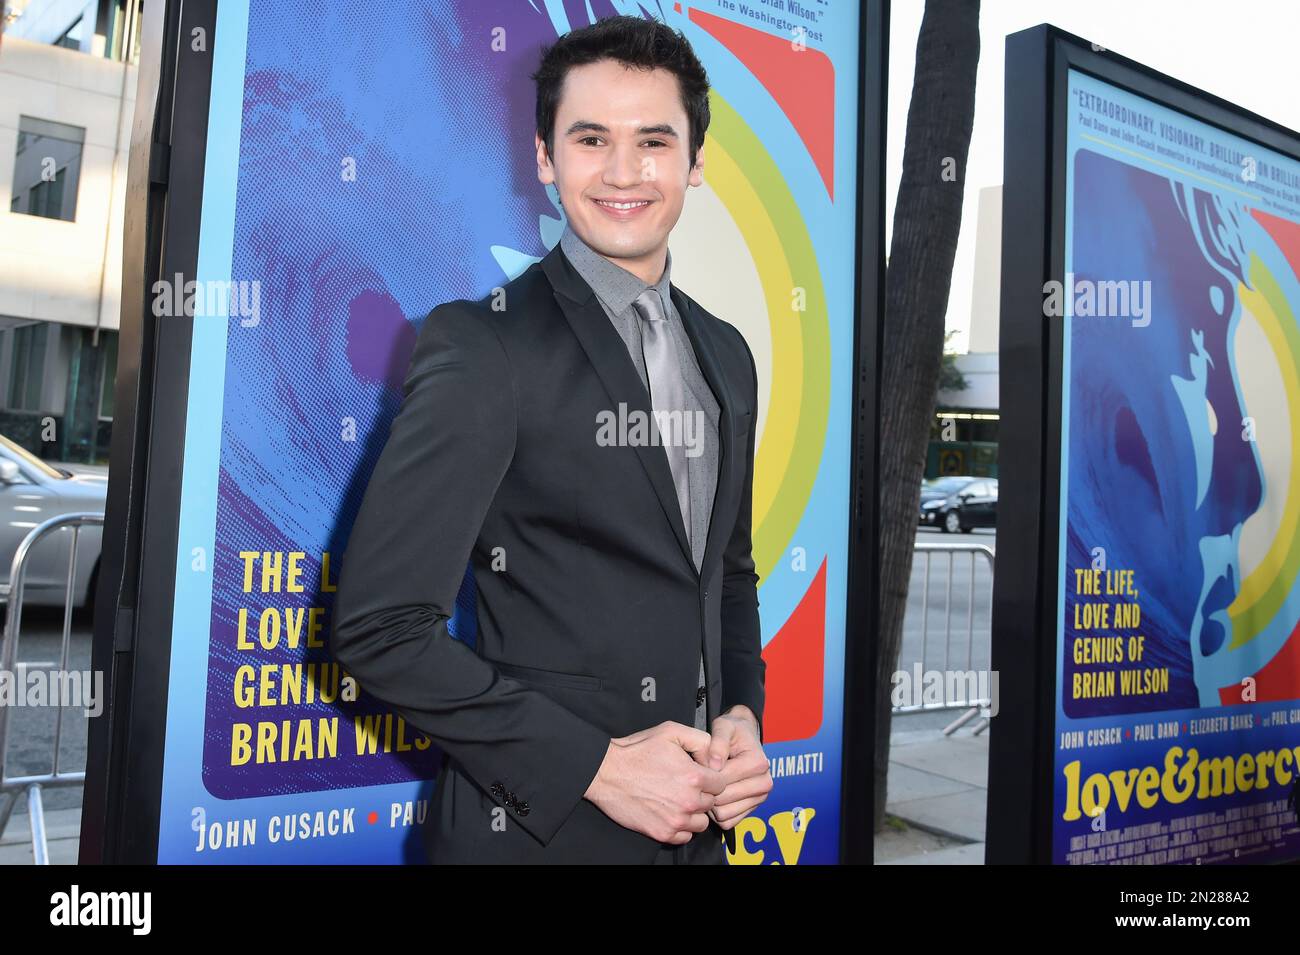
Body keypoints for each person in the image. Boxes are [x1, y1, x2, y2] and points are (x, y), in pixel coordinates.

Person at [330, 14, 770, 865]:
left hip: (699, 838)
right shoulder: (483, 343)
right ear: (544, 158)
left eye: (654, 141)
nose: (622, 172)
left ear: (696, 162)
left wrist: (740, 717)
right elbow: (380, 628)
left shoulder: (728, 354)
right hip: (533, 837)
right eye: (590, 138)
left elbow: (728, 576)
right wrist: (596, 766)